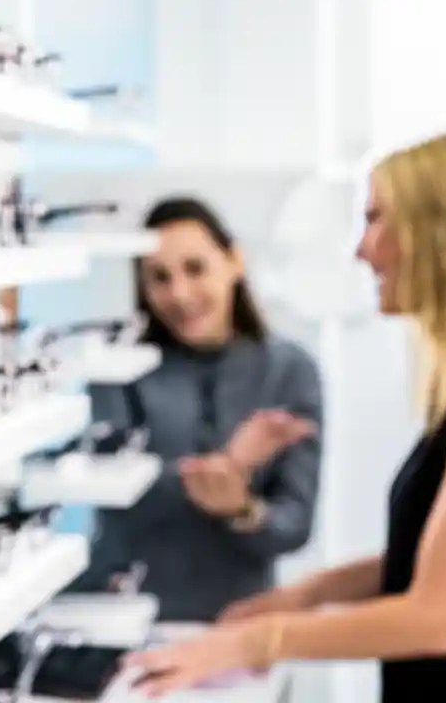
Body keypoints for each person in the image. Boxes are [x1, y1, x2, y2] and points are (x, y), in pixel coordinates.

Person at [125, 133, 446, 701]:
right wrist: (301, 597)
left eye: (376, 220)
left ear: (439, 233)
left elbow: (434, 618)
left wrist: (254, 643)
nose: (362, 250)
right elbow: (429, 558)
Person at [71, 196, 322, 622]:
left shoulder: (291, 370)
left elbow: (294, 524)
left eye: (195, 269)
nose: (179, 294)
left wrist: (244, 509)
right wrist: (224, 468)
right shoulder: (118, 366)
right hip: (122, 616)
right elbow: (113, 492)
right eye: (159, 278)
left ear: (234, 262)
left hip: (238, 624)